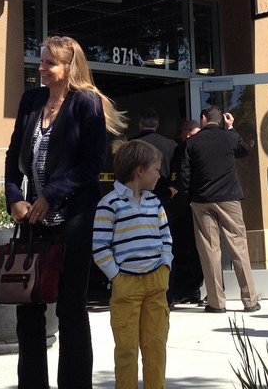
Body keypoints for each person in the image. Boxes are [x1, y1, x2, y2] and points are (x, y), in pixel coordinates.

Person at [4, 35, 126, 389]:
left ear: (68, 67)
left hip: (74, 218)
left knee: (70, 308)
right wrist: (14, 197)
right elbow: (14, 156)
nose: (41, 68)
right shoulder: (31, 100)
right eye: (40, 61)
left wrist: (51, 197)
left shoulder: (86, 102)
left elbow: (92, 162)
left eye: (49, 63)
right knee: (28, 307)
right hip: (32, 220)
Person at [92, 139, 172, 389]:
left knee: (156, 348)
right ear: (140, 170)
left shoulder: (155, 203)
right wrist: (117, 276)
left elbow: (166, 237)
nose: (160, 176)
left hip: (156, 284)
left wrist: (165, 266)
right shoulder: (109, 204)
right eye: (156, 170)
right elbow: (100, 247)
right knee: (126, 351)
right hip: (125, 285)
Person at [174, 106, 259, 314]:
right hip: (230, 198)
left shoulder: (192, 143)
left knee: (210, 251)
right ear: (220, 119)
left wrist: (187, 198)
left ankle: (216, 302)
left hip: (202, 201)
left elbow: (184, 176)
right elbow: (245, 151)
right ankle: (250, 301)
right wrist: (231, 128)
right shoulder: (228, 138)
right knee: (238, 247)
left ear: (203, 119)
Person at [168, 119, 204, 305]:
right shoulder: (184, 149)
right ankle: (193, 289)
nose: (183, 135)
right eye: (183, 131)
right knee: (194, 249)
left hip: (194, 205)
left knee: (196, 249)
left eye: (185, 131)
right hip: (192, 206)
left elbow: (184, 175)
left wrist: (177, 190)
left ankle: (193, 288)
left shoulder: (192, 148)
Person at [129, 107, 177, 208]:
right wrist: (173, 188)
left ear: (140, 124)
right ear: (157, 125)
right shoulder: (171, 145)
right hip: (163, 196)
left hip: (136, 196)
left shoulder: (130, 145)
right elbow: (179, 169)